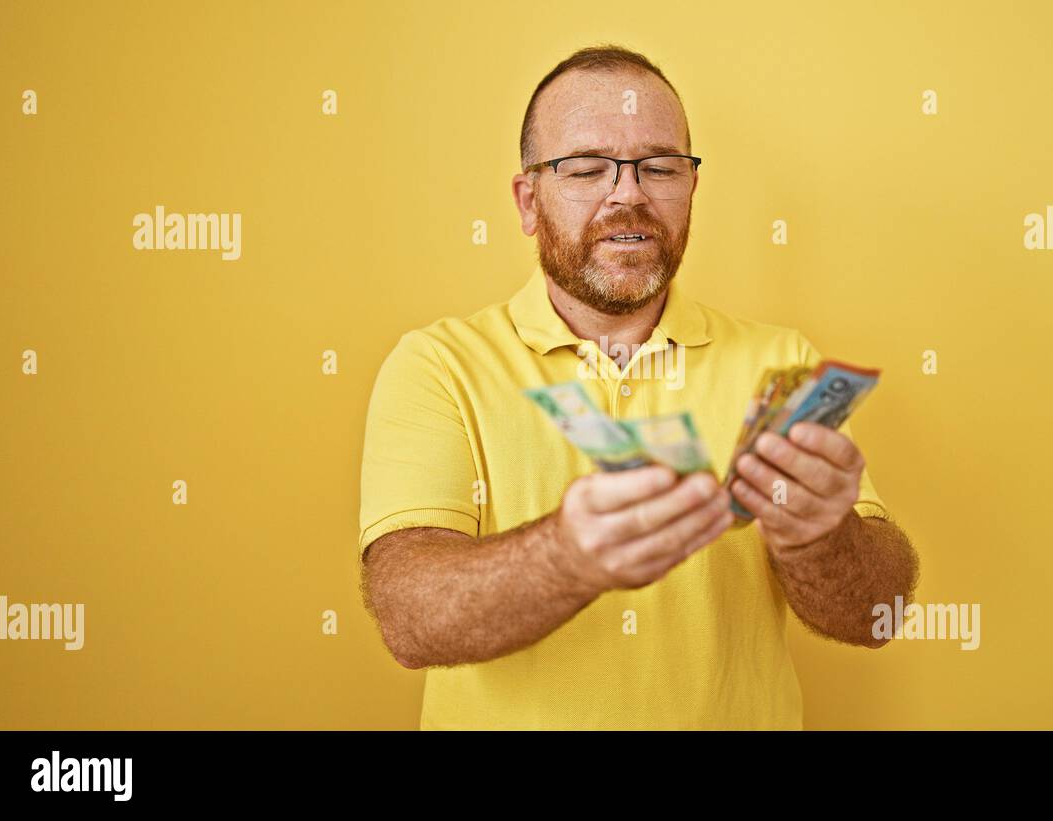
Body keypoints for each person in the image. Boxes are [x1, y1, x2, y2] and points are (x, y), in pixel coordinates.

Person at [359, 44, 919, 730]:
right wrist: (568, 554)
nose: (628, 193)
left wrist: (818, 537)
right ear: (527, 199)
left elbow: (874, 615)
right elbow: (410, 620)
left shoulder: (780, 363)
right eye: (587, 168)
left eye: (659, 167)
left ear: (690, 189)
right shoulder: (437, 365)